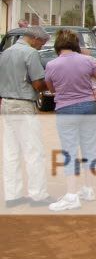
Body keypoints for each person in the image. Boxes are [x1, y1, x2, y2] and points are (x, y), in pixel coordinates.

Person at [45, 29, 96, 211]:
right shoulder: (88, 61)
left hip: (66, 109)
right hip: (89, 106)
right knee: (89, 147)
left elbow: (52, 90)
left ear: (58, 45)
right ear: (76, 45)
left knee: (70, 150)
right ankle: (88, 189)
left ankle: (72, 195)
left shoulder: (52, 64)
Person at [0, 26, 54, 208]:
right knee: (34, 151)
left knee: (11, 151)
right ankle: (38, 195)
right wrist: (53, 85)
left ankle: (13, 195)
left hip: (7, 102)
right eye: (42, 43)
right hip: (24, 104)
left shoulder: (7, 52)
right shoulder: (30, 53)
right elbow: (38, 83)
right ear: (35, 39)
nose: (41, 47)